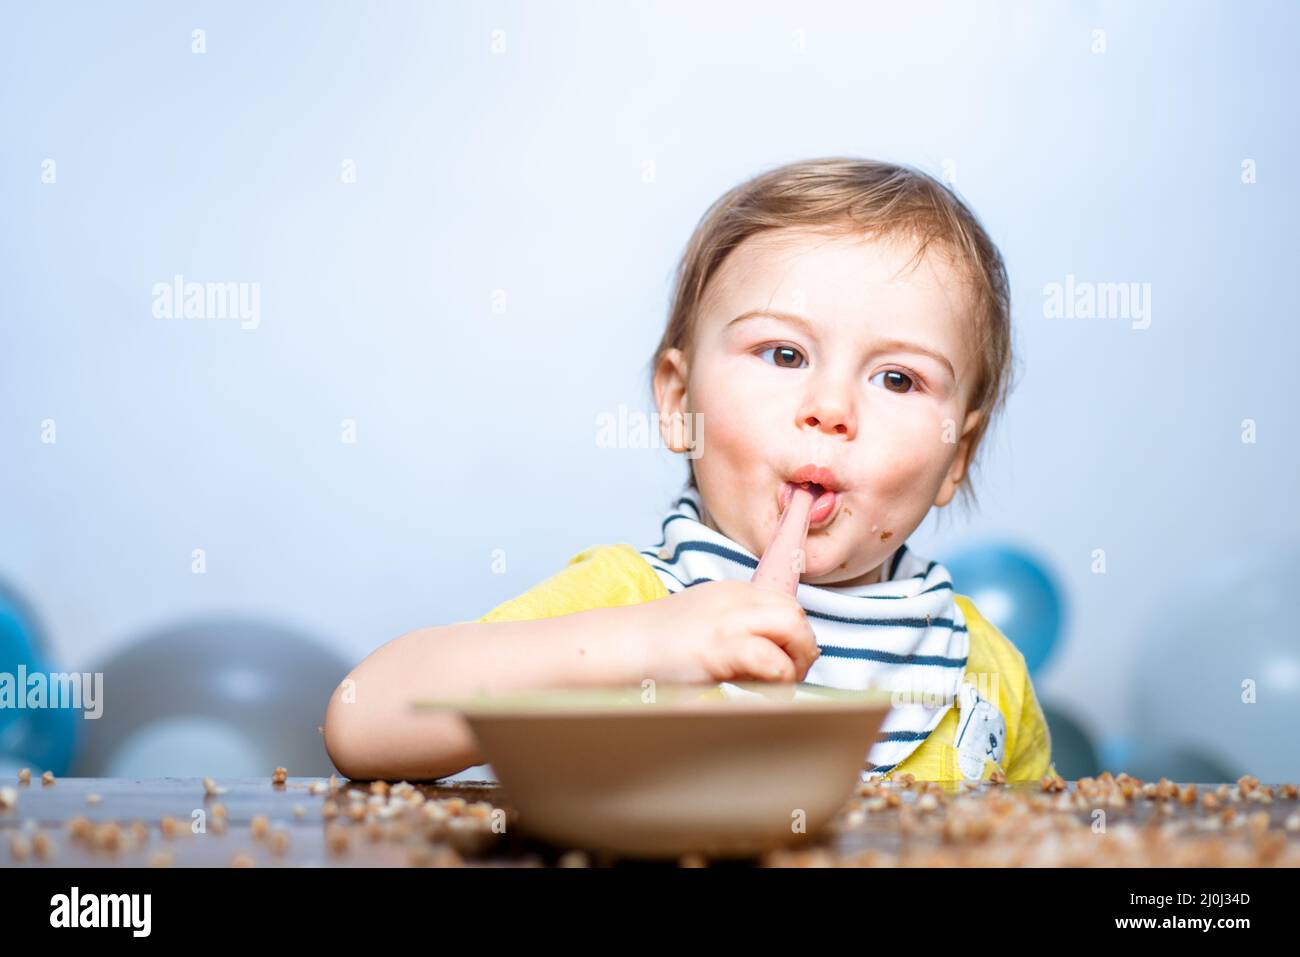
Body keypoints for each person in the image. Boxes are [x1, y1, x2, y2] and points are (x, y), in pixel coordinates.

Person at [325, 157, 1057, 785]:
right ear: (680, 403)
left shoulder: (983, 669)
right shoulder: (629, 603)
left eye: (897, 379)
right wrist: (646, 648)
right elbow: (363, 723)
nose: (831, 409)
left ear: (956, 456)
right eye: (784, 354)